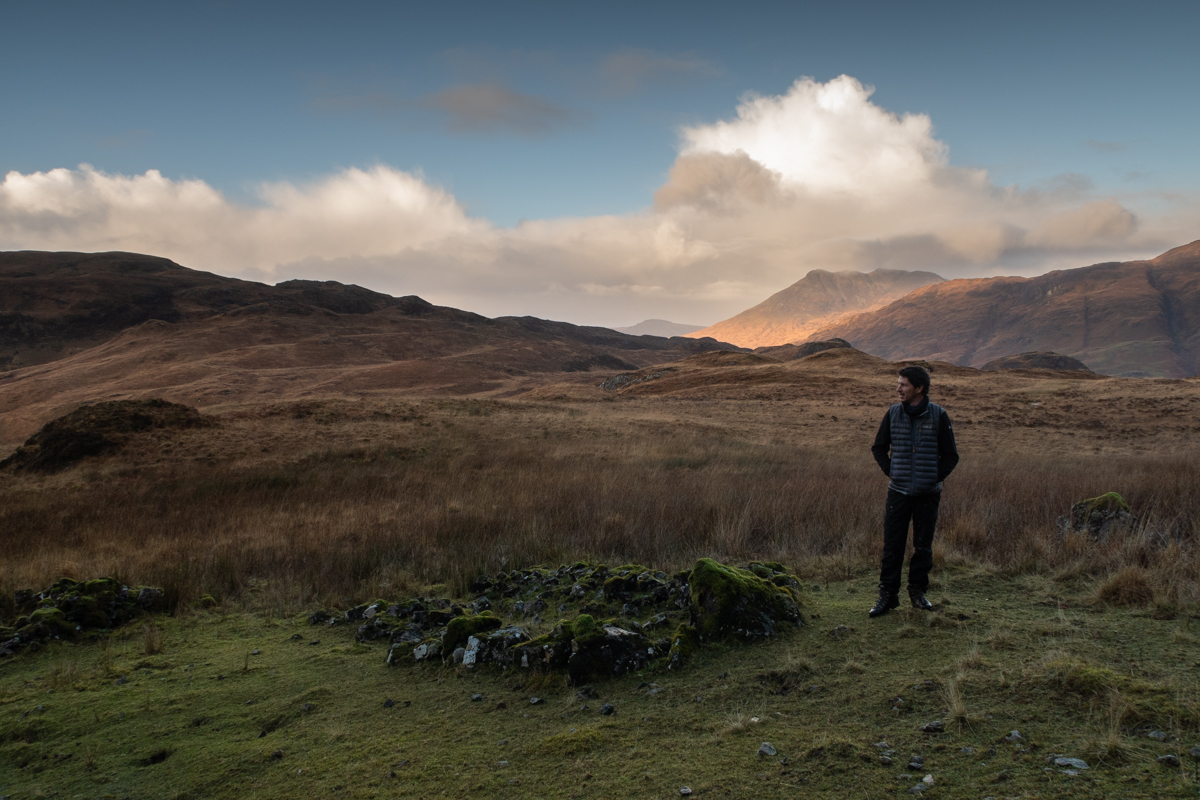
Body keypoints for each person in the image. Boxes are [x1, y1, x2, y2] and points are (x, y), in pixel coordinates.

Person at [868, 365, 959, 617]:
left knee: (923, 546)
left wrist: (933, 478)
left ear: (919, 388)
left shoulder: (939, 416)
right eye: (898, 384)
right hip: (898, 492)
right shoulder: (893, 414)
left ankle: (917, 593)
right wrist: (892, 472)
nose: (898, 389)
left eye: (903, 384)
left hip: (928, 494)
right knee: (892, 546)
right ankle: (887, 596)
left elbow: (951, 456)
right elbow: (878, 447)